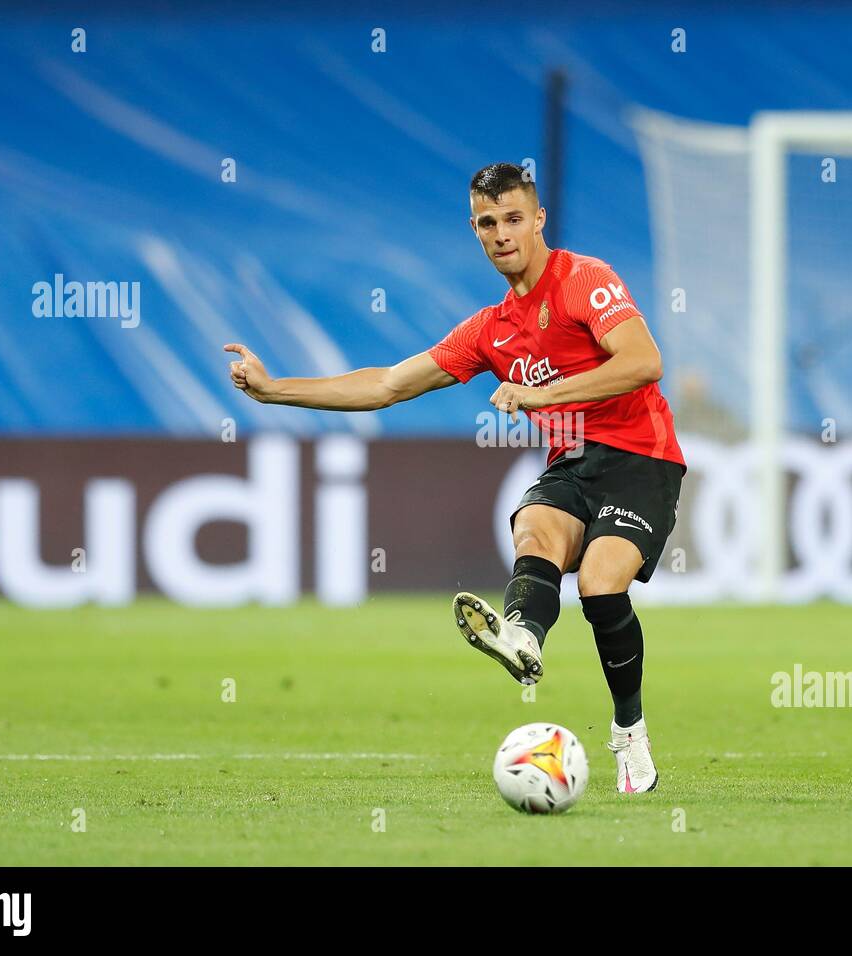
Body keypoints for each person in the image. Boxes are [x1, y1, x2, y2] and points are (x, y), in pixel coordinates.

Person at [225, 163, 685, 793]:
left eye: (514, 219)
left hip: (642, 458)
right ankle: (522, 635)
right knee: (536, 526)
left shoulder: (585, 279)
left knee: (603, 585)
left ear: (539, 220)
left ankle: (629, 734)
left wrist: (542, 397)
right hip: (574, 464)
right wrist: (277, 390)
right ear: (475, 230)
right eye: (487, 223)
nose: (502, 234)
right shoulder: (490, 329)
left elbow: (643, 361)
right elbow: (387, 383)